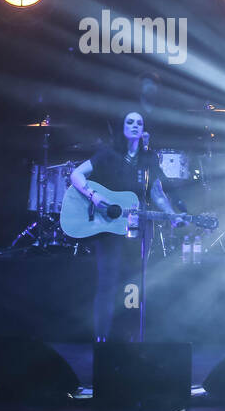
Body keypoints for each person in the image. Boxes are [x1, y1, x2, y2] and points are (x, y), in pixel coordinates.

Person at [70, 110, 184, 342]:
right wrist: (93, 196)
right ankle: (101, 339)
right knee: (107, 282)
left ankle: (132, 337)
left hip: (138, 227)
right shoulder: (107, 154)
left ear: (143, 129)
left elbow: (157, 193)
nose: (134, 125)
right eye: (129, 122)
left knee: (136, 280)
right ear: (122, 127)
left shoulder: (148, 158)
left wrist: (172, 214)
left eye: (139, 123)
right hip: (108, 226)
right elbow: (76, 175)